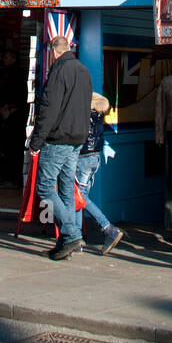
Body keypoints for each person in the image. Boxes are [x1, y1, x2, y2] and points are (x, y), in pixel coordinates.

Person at [28, 35, 93, 261]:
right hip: (77, 139)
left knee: (45, 187)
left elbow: (48, 109)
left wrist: (35, 142)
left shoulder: (58, 71)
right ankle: (65, 243)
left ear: (53, 52)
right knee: (66, 189)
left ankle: (71, 234)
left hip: (58, 139)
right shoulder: (83, 71)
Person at [75, 91, 123, 256]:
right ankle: (76, 239)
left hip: (82, 157)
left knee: (80, 198)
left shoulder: (84, 113)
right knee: (78, 197)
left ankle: (108, 229)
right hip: (94, 157)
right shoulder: (98, 114)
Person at [0, 48, 28, 188]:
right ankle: (16, 178)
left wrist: (9, 108)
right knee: (15, 148)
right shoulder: (17, 73)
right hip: (17, 114)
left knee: (12, 148)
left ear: (13, 59)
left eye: (7, 58)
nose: (4, 60)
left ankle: (13, 179)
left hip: (14, 115)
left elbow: (14, 94)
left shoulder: (13, 74)